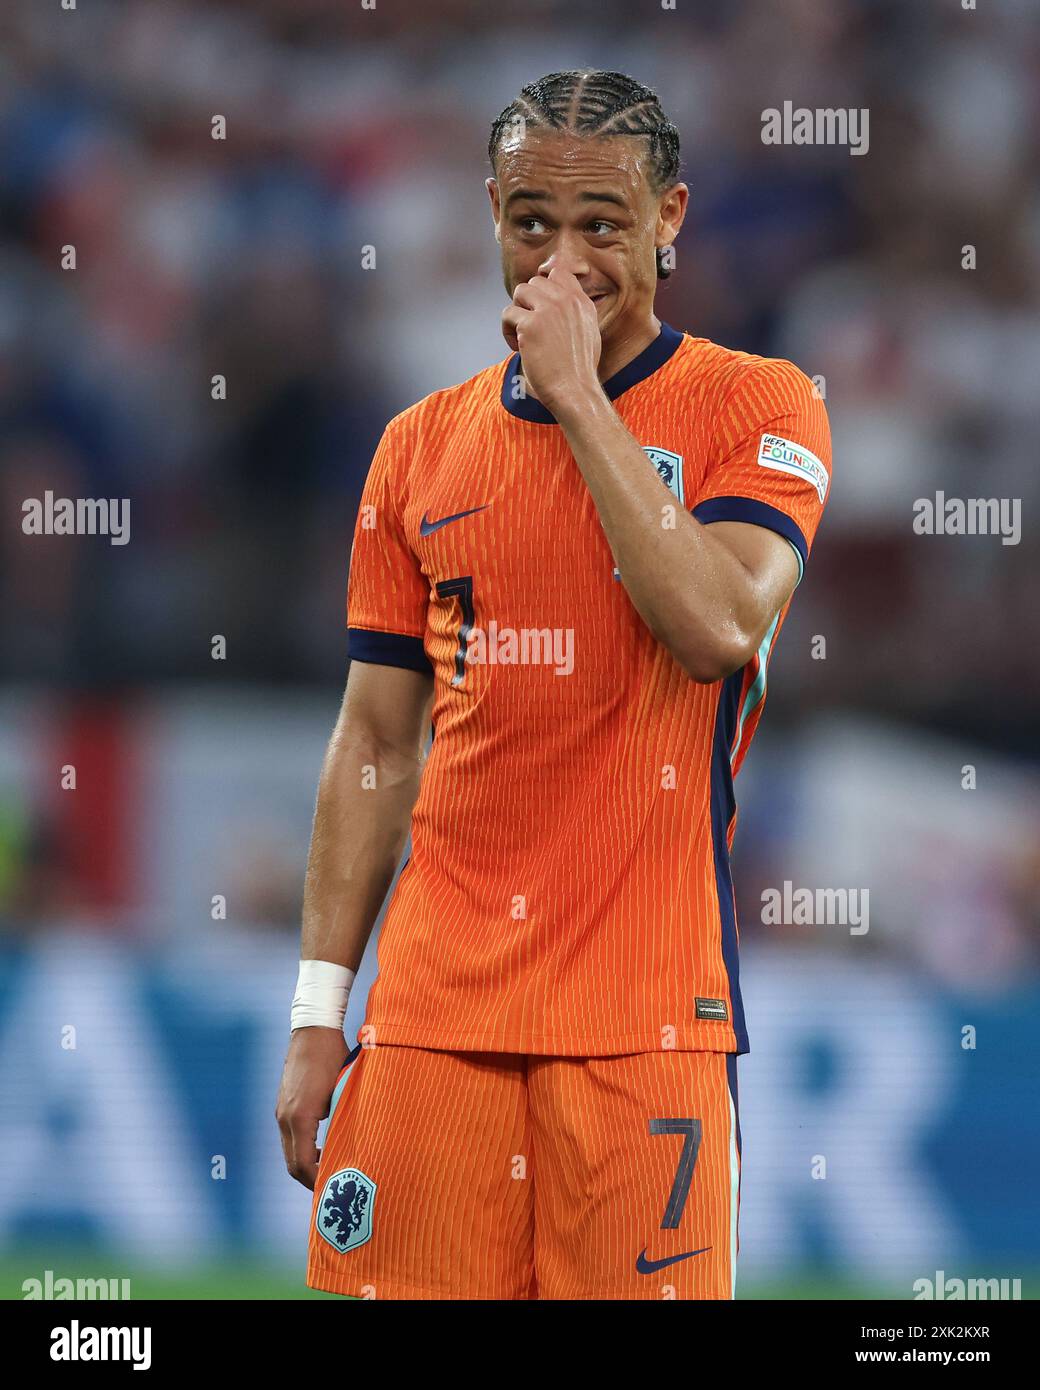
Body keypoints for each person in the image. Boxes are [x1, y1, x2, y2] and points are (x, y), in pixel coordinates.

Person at [276, 68, 831, 1300]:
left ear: (668, 217)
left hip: (645, 1024)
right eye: (531, 221)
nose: (562, 259)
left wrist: (576, 395)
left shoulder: (758, 404)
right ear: (490, 211)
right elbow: (375, 741)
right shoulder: (417, 446)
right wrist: (320, 1008)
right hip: (430, 1023)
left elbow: (716, 625)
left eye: (601, 225)